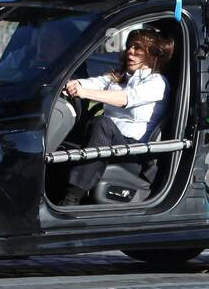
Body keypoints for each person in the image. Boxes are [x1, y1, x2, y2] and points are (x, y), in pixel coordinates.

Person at [59, 27, 174, 206]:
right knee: (67, 139)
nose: (130, 51)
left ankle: (71, 198)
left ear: (152, 54)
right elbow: (95, 82)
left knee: (102, 123)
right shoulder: (120, 77)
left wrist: (84, 92)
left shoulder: (157, 83)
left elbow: (124, 99)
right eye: (129, 46)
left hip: (133, 153)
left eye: (138, 48)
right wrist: (74, 84)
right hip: (110, 143)